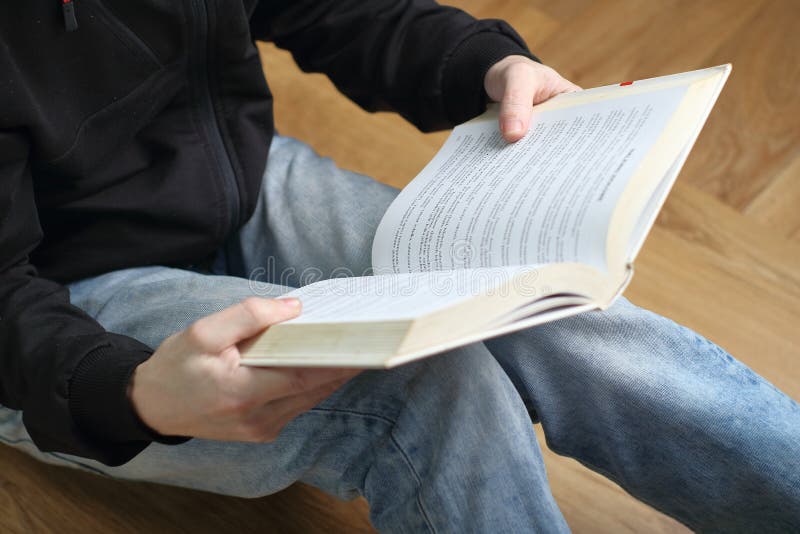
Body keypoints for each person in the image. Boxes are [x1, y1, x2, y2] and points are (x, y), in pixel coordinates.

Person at [0, 1, 798, 532]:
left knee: (548, 304)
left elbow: (334, 6)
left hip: (236, 181)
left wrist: (486, 64)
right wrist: (130, 395)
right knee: (430, 392)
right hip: (61, 305)